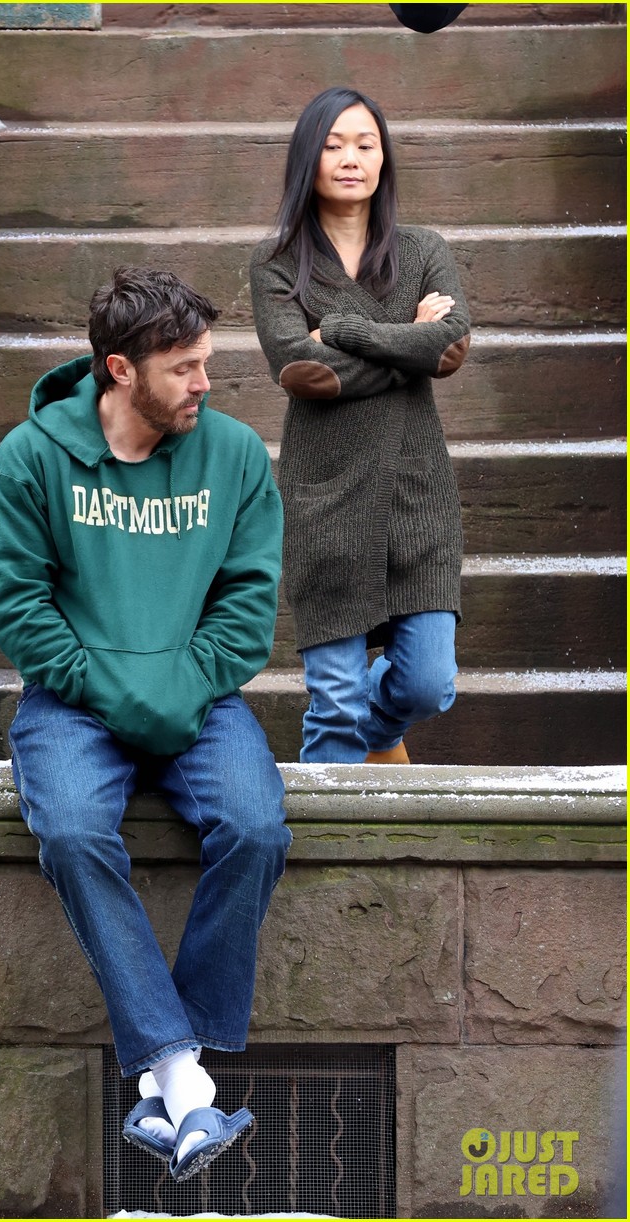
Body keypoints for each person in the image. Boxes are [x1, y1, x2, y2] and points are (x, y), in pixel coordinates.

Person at [0, 266, 290, 1182]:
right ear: (120, 369)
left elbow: (247, 602)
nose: (204, 383)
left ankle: (170, 1071)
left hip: (198, 693)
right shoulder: (30, 459)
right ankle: (181, 1075)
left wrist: (181, 687)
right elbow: (16, 609)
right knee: (72, 831)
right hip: (72, 703)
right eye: (184, 367)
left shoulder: (231, 455)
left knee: (255, 826)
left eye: (206, 364)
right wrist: (110, 690)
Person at [250, 86, 471, 765]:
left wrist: (342, 329)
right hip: (326, 500)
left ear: (384, 159)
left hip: (416, 497)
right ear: (306, 159)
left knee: (427, 685)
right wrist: (409, 343)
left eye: (365, 144)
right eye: (333, 143)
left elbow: (452, 344)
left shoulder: (421, 249)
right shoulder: (277, 262)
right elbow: (301, 370)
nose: (350, 157)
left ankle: (376, 741)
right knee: (336, 704)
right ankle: (326, 855)